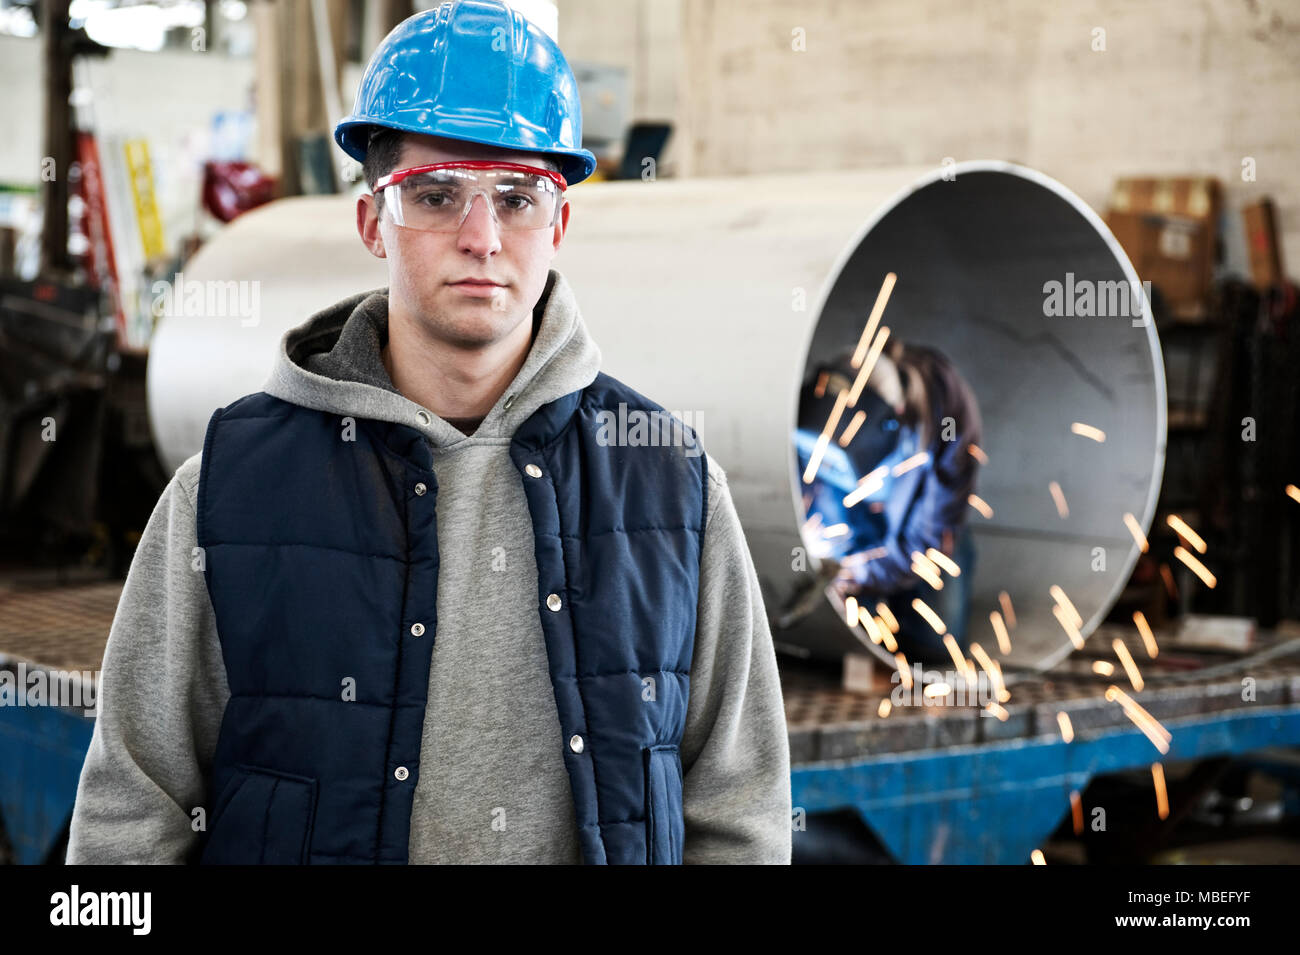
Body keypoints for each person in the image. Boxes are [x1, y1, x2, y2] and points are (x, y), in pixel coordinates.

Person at [66, 0, 790, 865]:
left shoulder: (670, 484)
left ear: (559, 226)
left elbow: (739, 812)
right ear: (374, 220)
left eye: (518, 198)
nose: (481, 237)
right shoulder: (228, 489)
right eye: (437, 194)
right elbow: (131, 815)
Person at [795, 339, 982, 667]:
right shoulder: (822, 408)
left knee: (935, 649)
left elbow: (927, 543)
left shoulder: (948, 419)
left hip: (921, 535)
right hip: (855, 522)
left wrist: (857, 576)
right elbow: (810, 500)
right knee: (844, 645)